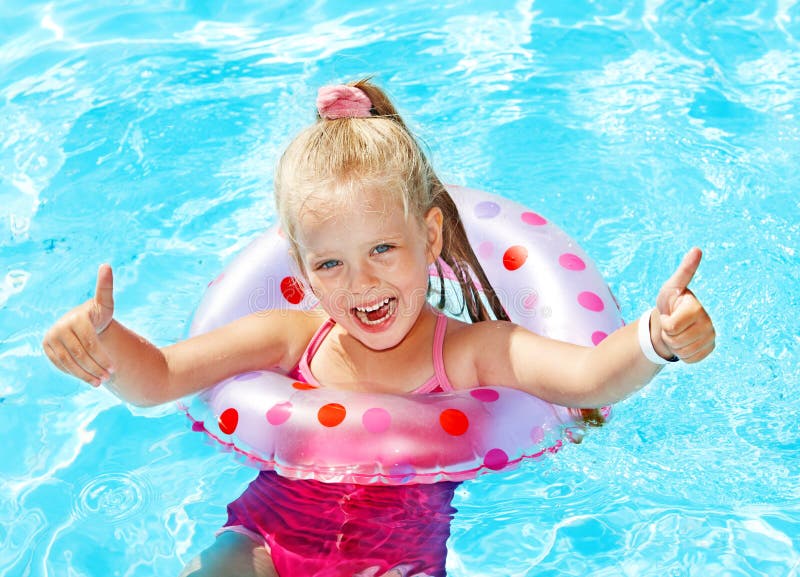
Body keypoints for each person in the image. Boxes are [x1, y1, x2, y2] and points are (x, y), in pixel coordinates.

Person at [42, 79, 716, 577]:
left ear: (428, 239)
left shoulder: (473, 352)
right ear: (300, 268)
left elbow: (590, 375)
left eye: (383, 251)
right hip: (264, 537)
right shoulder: (288, 338)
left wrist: (657, 336)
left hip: (394, 559)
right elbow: (158, 377)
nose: (361, 282)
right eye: (331, 262)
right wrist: (102, 339)